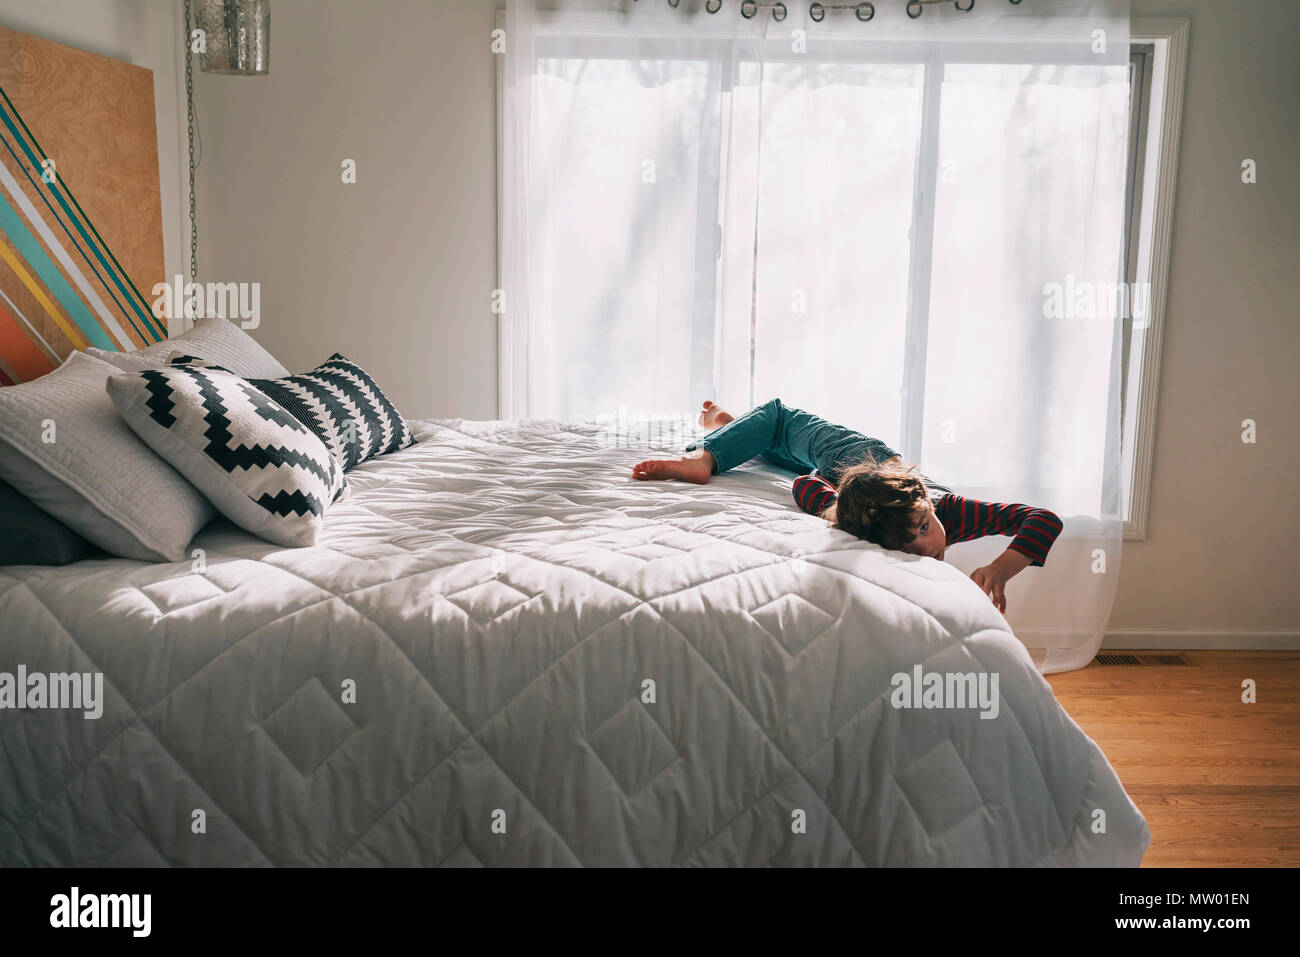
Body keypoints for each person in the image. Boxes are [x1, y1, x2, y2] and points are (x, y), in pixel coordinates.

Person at [631, 398, 1062, 613]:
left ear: (928, 504)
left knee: (779, 445)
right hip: (847, 453)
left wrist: (1001, 568)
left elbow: (1042, 518)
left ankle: (729, 427)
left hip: (859, 469)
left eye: (922, 532)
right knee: (780, 416)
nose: (929, 548)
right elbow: (806, 484)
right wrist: (832, 505)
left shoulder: (946, 511)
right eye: (919, 537)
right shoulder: (930, 515)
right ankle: (705, 457)